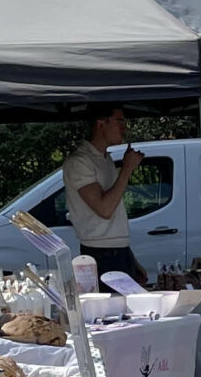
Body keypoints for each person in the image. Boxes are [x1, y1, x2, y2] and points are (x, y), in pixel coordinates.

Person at [62, 104, 150, 286]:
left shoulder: (104, 158)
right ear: (101, 123)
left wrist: (131, 259)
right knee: (113, 311)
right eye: (119, 122)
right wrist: (126, 169)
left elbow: (112, 216)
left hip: (118, 251)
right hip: (101, 254)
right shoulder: (80, 161)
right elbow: (105, 209)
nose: (124, 128)